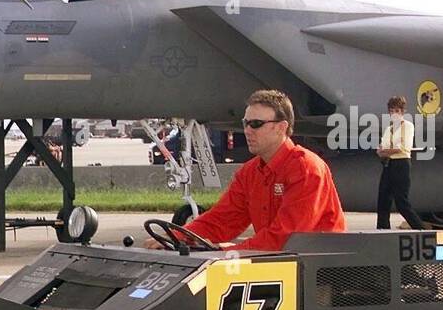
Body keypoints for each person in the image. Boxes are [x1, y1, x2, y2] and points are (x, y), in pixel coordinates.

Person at [146, 89, 345, 251]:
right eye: (246, 123)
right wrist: (175, 237)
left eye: (256, 124)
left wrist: (231, 251)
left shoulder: (306, 168)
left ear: (281, 127)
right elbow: (222, 219)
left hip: (318, 275)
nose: (248, 130)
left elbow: (287, 237)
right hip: (285, 266)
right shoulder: (250, 172)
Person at [376, 95, 425, 231]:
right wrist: (385, 151)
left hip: (401, 165)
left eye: (397, 111)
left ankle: (421, 230)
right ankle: (382, 231)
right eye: (391, 111)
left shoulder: (408, 126)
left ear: (402, 111)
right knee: (383, 201)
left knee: (401, 202)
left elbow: (401, 148)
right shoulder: (389, 129)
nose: (394, 114)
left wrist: (385, 151)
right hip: (388, 165)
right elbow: (381, 149)